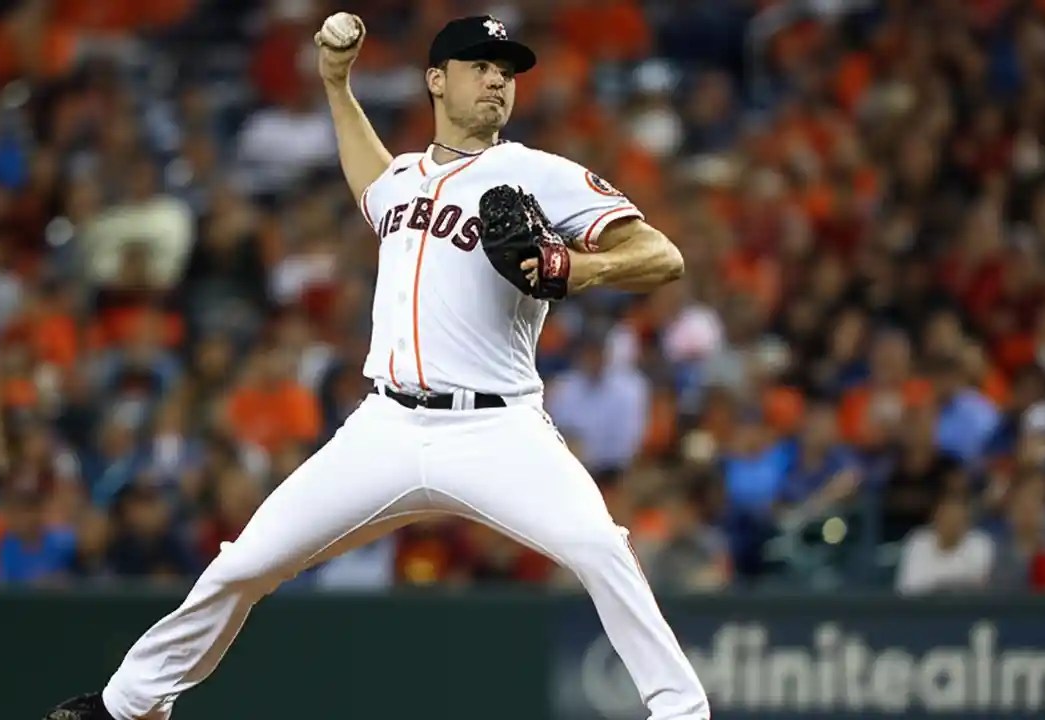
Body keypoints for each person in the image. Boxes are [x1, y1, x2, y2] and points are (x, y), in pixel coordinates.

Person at [43, 13, 708, 720]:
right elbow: (370, 177)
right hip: (386, 425)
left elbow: (662, 256)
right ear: (436, 80)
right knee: (245, 562)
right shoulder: (401, 179)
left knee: (600, 549)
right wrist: (337, 84)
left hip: (497, 429)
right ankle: (128, 706)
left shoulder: (537, 173)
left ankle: (682, 713)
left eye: (507, 71)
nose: (497, 80)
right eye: (481, 66)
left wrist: (577, 265)